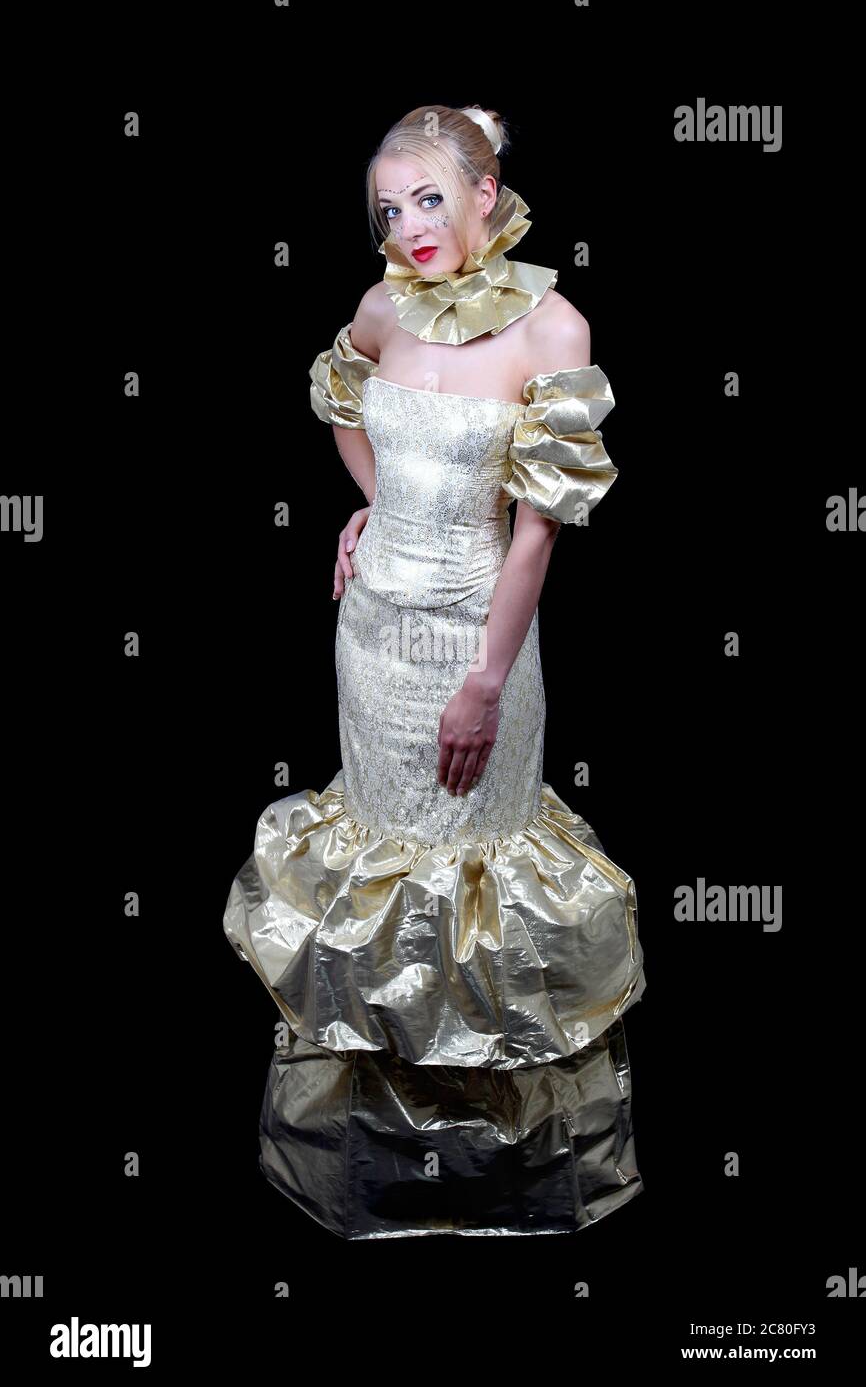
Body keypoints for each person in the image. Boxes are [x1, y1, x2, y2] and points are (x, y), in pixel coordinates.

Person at [223, 103, 646, 1239]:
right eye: (385, 207)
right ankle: (377, 1149)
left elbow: (539, 530)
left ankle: (495, 1155)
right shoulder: (381, 308)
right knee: (380, 851)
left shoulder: (551, 328)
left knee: (477, 863)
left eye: (425, 197)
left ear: (482, 188)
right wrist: (375, 507)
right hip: (370, 638)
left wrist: (484, 682)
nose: (407, 226)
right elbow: (337, 387)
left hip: (477, 636)